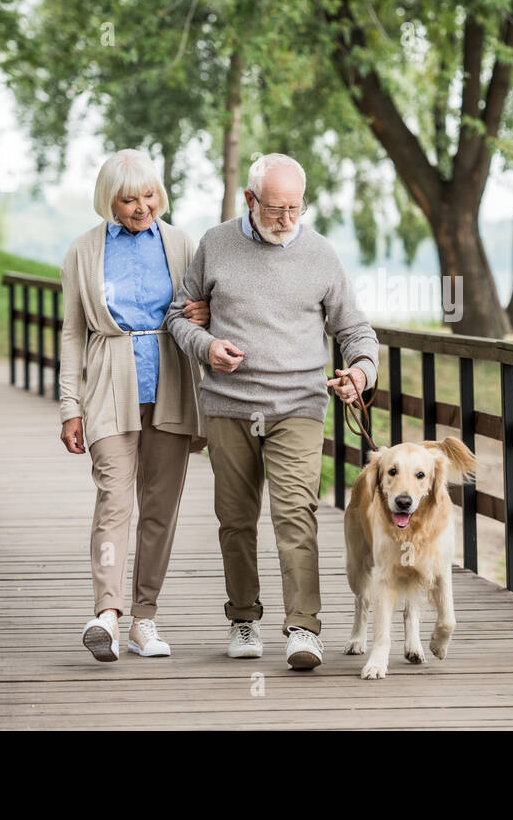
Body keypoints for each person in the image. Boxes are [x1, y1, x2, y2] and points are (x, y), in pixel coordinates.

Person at [165, 152, 378, 670]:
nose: (287, 220)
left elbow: (354, 330)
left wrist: (361, 373)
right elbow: (177, 314)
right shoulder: (216, 244)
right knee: (235, 519)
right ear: (250, 200)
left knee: (294, 515)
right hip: (230, 405)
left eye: (296, 209)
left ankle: (303, 628)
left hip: (298, 405)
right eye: (276, 209)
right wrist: (206, 346)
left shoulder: (321, 255)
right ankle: (243, 617)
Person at [59, 148, 210, 662]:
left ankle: (145, 619)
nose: (141, 207)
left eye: (148, 195)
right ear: (109, 201)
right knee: (113, 502)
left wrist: (204, 314)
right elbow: (72, 333)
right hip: (108, 384)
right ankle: (107, 612)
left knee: (160, 510)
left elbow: (198, 314)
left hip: (170, 382)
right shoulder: (84, 251)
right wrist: (69, 405)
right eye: (128, 199)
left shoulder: (181, 243)